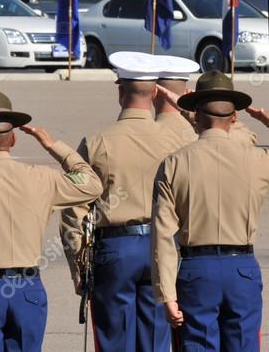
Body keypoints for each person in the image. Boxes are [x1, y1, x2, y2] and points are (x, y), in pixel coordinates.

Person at [0, 90, 102, 351]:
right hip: (27, 288)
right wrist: (53, 145)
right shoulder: (42, 178)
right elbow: (91, 183)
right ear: (14, 139)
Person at [59, 52, 188, 352]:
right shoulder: (176, 142)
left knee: (114, 340)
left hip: (114, 250)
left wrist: (78, 266)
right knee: (156, 341)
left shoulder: (97, 142)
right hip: (162, 245)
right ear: (155, 92)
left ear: (120, 93)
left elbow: (74, 210)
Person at [151, 70, 269, 351]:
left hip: (197, 270)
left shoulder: (174, 163)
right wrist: (264, 118)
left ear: (195, 116)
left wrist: (166, 293)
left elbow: (163, 236)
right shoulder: (258, 160)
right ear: (236, 117)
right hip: (242, 268)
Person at [155, 54, 258, 145]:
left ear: (197, 116)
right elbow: (248, 136)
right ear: (234, 116)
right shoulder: (245, 139)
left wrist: (187, 108)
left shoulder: (183, 150)